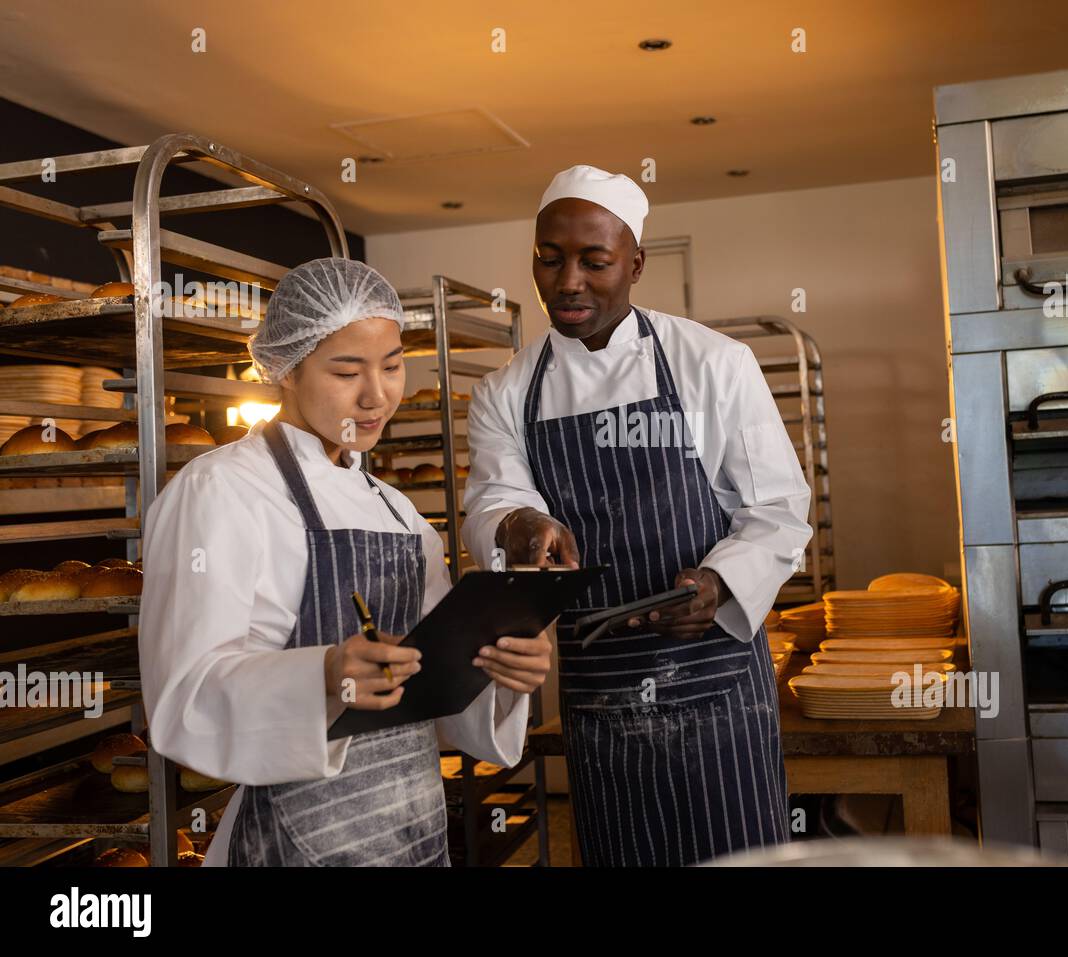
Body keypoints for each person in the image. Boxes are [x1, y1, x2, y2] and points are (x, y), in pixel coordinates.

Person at [139, 258, 552, 866]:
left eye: (391, 365)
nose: (377, 395)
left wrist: (503, 668)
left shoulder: (397, 511)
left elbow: (437, 678)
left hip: (411, 826)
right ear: (284, 369)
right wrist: (325, 676)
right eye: (345, 371)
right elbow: (183, 697)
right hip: (290, 840)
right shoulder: (220, 490)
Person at [463, 166, 812, 865]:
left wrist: (717, 586)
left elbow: (778, 510)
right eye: (549, 257)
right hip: (600, 695)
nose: (568, 282)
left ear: (636, 264)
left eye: (595, 262)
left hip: (716, 683)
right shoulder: (506, 392)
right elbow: (492, 499)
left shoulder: (714, 363)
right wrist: (520, 526)